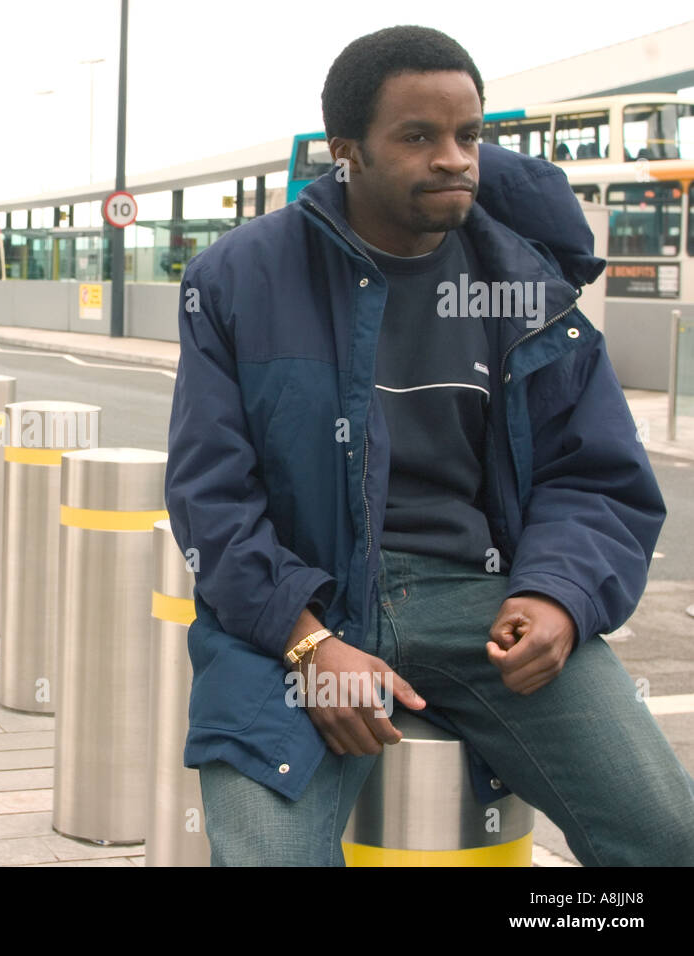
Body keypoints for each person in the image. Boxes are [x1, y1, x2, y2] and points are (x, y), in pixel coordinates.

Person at [164, 24, 694, 866]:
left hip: (484, 599)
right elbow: (211, 496)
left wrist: (558, 595)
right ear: (349, 152)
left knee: (669, 838)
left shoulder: (529, 287)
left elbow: (595, 474)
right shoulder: (237, 278)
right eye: (418, 137)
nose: (455, 159)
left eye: (469, 136)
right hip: (309, 602)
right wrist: (307, 643)